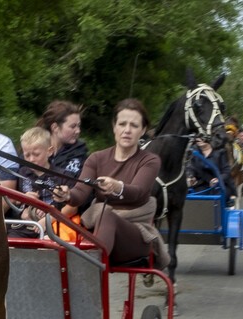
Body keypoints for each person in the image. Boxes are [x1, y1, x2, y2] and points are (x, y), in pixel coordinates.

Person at [54, 99, 170, 268]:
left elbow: (138, 191)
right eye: (122, 124)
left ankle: (88, 269)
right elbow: (80, 193)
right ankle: (89, 267)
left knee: (107, 214)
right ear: (114, 126)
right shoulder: (96, 158)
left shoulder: (150, 160)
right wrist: (67, 195)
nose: (127, 130)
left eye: (134, 125)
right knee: (104, 215)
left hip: (136, 237)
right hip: (99, 232)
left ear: (143, 130)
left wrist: (117, 187)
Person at [7, 127, 65, 238]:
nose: (31, 159)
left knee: (49, 242)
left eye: (36, 154)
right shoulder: (21, 173)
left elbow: (69, 207)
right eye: (27, 155)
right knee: (10, 242)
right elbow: (13, 203)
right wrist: (22, 199)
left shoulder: (61, 175)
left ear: (49, 151)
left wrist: (49, 215)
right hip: (25, 225)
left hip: (51, 225)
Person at [35, 100, 89, 177]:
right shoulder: (34, 149)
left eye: (78, 126)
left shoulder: (80, 152)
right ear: (55, 127)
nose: (78, 131)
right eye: (73, 126)